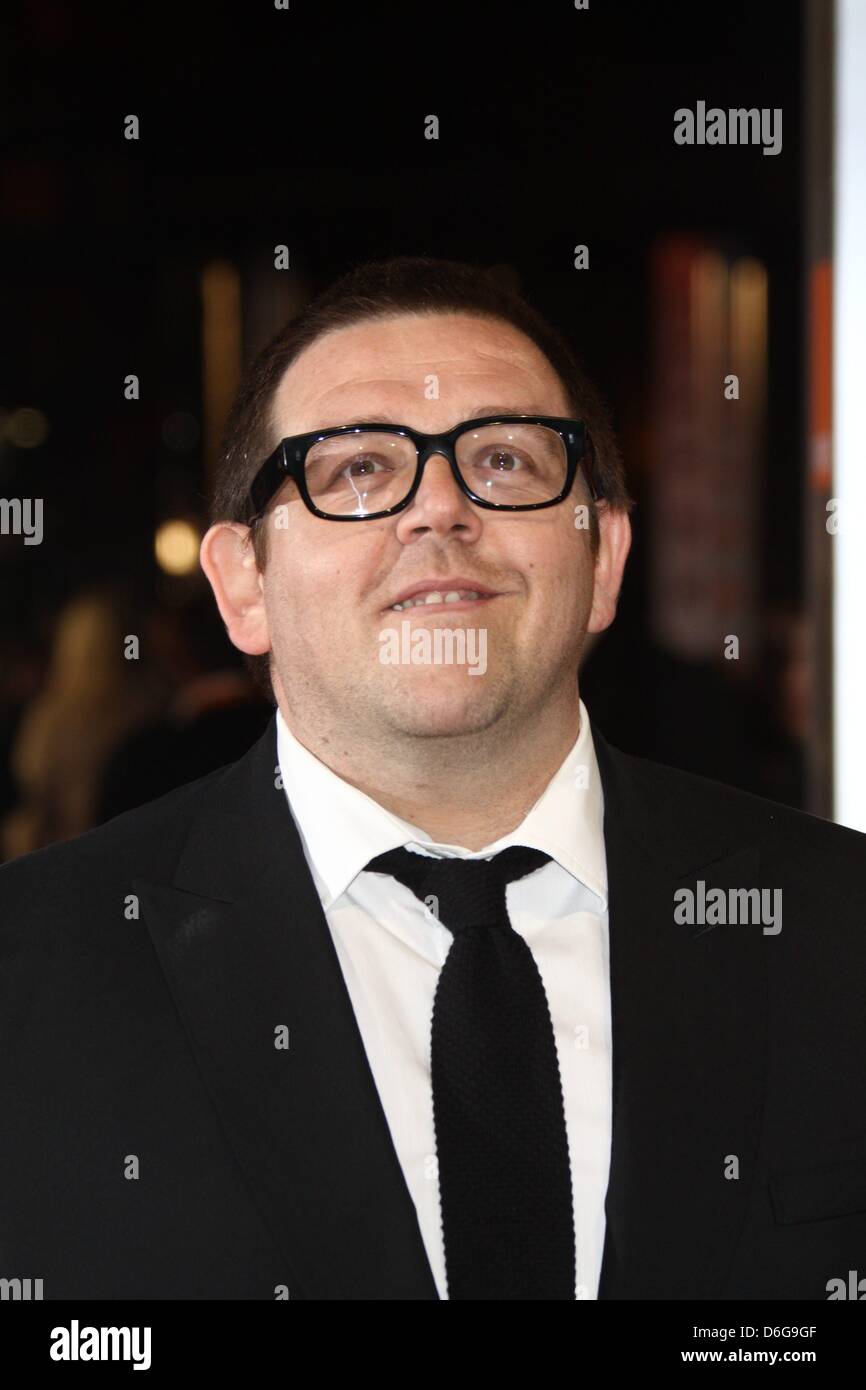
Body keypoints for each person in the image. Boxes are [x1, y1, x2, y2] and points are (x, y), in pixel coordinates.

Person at [1, 256, 864, 1301]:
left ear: (604, 558)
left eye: (503, 459)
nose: (438, 508)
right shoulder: (35, 970)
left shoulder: (834, 923)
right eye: (357, 468)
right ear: (243, 584)